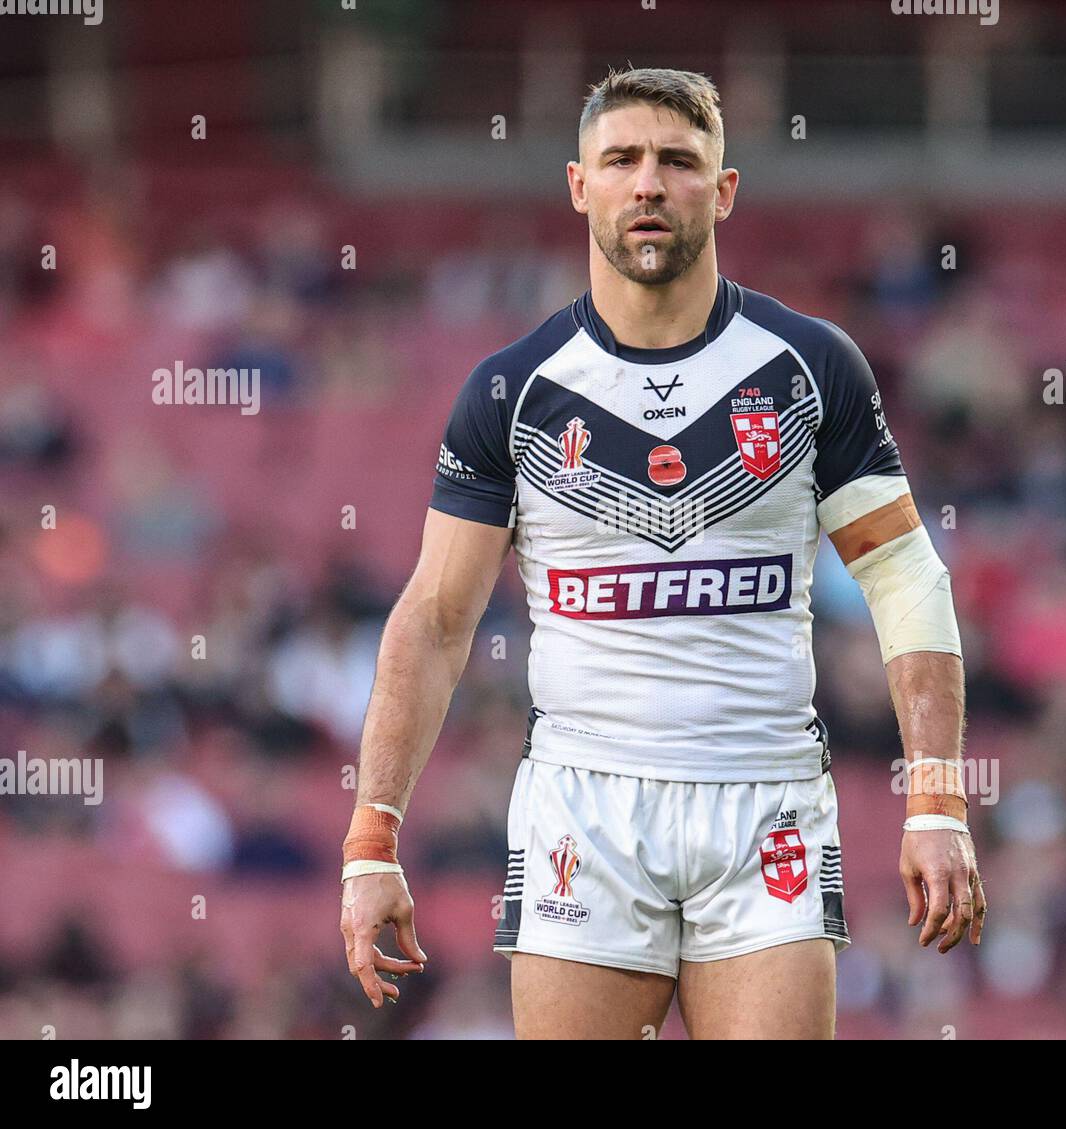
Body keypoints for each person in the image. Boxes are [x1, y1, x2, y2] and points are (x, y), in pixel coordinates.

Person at [339, 65, 985, 1040]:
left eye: (678, 161)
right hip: (582, 806)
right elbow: (435, 618)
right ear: (579, 184)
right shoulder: (512, 391)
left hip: (762, 797)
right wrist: (370, 841)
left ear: (722, 191)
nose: (648, 183)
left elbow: (902, 574)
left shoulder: (810, 366)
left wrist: (935, 800)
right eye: (622, 159)